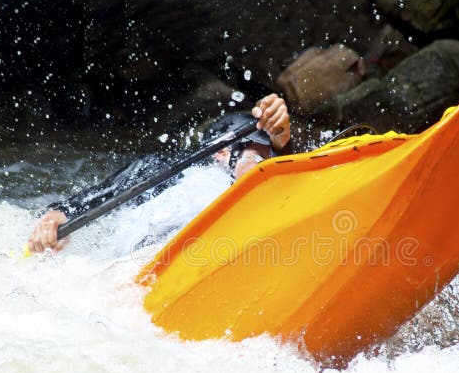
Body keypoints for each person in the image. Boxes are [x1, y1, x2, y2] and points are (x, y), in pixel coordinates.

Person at [27, 93, 291, 253]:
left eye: (268, 154)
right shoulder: (162, 169)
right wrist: (54, 218)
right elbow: (98, 196)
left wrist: (281, 136)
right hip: (146, 256)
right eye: (255, 153)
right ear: (221, 153)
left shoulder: (271, 177)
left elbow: (284, 173)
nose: (263, 161)